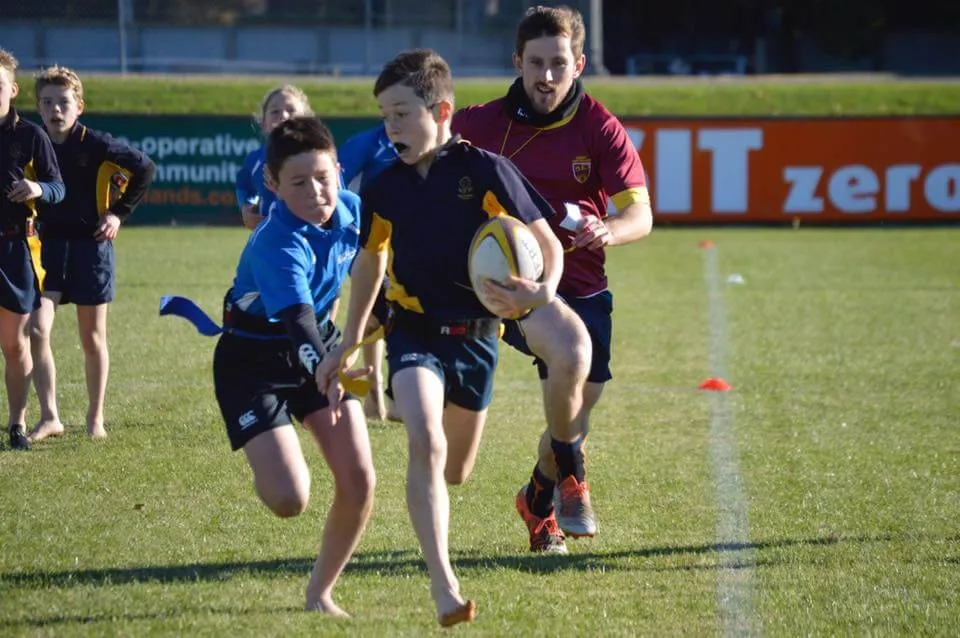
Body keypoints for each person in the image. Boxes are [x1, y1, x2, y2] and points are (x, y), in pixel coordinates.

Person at [318, 48, 573, 627]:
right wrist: (348, 342)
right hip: (414, 333)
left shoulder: (485, 171)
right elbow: (369, 266)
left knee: (454, 470)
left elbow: (546, 242)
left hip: (479, 336)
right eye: (385, 116)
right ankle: (443, 583)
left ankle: (444, 553)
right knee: (425, 444)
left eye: (403, 113)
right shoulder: (384, 186)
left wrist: (544, 291)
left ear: (442, 110)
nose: (392, 127)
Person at [453, 5, 653, 551]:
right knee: (569, 356)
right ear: (517, 61)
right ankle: (573, 480)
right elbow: (416, 151)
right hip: (513, 285)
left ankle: (538, 498)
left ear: (579, 63)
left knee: (575, 411)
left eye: (558, 64)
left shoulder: (600, 127)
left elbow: (642, 215)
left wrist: (609, 230)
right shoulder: (477, 124)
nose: (546, 77)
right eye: (535, 63)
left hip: (584, 283)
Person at [164, 116, 375, 616]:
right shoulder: (275, 241)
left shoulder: (354, 210)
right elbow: (297, 318)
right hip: (251, 359)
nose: (316, 192)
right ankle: (273, 436)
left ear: (340, 172)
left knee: (360, 479)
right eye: (298, 183)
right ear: (272, 185)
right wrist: (327, 365)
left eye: (324, 177)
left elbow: (382, 265)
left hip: (319, 345)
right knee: (289, 499)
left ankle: (320, 592)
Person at [27, 65, 156, 443]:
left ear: (79, 106)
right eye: (47, 103)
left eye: (64, 103)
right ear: (38, 107)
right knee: (37, 329)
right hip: (47, 248)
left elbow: (145, 168)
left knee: (92, 338)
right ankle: (50, 416)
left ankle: (94, 418)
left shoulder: (97, 143)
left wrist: (118, 214)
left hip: (92, 248)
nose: (56, 110)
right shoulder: (34, 143)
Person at [0, 48, 65, 451]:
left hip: (14, 248)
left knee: (13, 343)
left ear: (12, 88)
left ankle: (16, 423)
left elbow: (59, 187)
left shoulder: (29, 135)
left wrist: (38, 188)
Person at [337, 123, 400, 422]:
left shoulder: (424, 140)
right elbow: (335, 186)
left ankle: (376, 398)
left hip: (410, 246)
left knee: (376, 318)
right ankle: (338, 381)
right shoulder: (365, 143)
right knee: (379, 315)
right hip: (371, 246)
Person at [235, 85, 313, 230]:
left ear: (305, 121)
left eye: (291, 110)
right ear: (264, 124)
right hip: (268, 243)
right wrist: (247, 208)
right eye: (275, 111)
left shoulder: (318, 159)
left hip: (307, 240)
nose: (283, 116)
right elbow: (243, 185)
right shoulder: (256, 160)